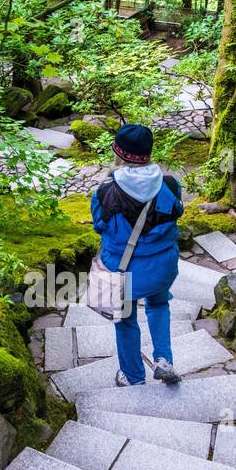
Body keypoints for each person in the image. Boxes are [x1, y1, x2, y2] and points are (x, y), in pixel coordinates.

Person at [90, 123, 183, 387]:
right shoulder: (170, 185)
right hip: (163, 268)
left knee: (125, 319)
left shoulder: (104, 192)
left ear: (119, 154)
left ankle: (132, 377)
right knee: (158, 304)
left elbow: (99, 226)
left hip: (123, 271)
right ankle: (163, 360)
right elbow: (178, 212)